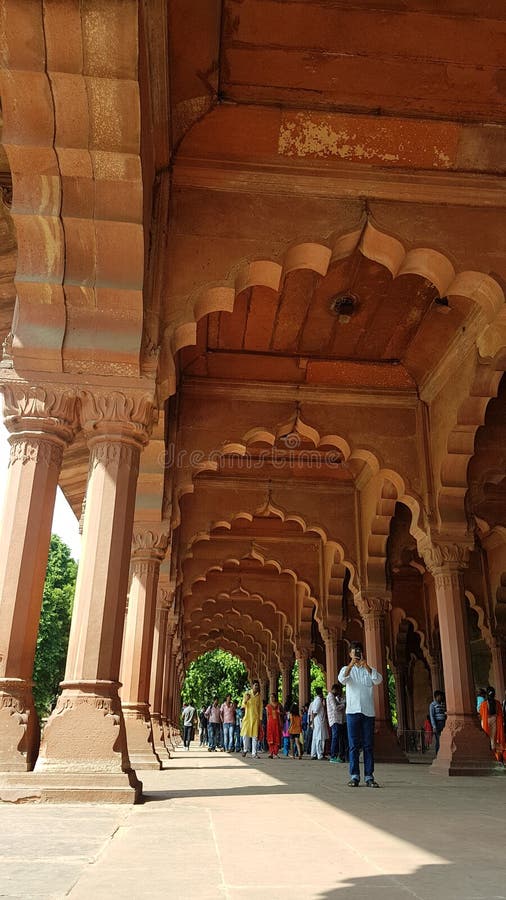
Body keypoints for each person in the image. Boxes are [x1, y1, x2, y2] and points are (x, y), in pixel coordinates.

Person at [339, 640, 383, 787]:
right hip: (352, 711)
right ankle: (355, 775)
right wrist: (351, 664)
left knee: (368, 745)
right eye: (354, 651)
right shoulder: (347, 669)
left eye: (358, 650)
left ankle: (369, 776)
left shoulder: (369, 669)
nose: (356, 653)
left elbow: (378, 680)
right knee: (353, 745)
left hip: (368, 712)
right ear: (350, 653)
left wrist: (366, 666)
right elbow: (342, 679)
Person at [479, 686, 506, 765]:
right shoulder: (496, 703)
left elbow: (480, 712)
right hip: (493, 720)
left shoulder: (484, 704)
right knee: (493, 739)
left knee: (491, 739)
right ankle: (496, 757)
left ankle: (494, 757)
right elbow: (499, 714)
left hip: (488, 720)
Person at [241, 680, 263, 758]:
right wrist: (246, 699)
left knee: (255, 736)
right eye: (255, 685)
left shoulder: (259, 696)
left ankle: (254, 753)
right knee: (245, 735)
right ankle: (245, 750)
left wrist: (260, 719)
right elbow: (242, 705)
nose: (256, 687)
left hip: (255, 719)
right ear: (252, 686)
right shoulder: (247, 694)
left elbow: (261, 708)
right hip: (247, 718)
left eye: (257, 685)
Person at [327, 683, 346, 763]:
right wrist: (344, 704)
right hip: (335, 720)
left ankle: (340, 755)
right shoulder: (330, 696)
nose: (339, 693)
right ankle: (333, 755)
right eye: (339, 691)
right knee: (335, 738)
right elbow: (335, 708)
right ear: (335, 689)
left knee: (340, 738)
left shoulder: (333, 697)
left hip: (338, 720)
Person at [309, 687, 328, 760]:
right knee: (320, 738)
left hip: (317, 721)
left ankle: (313, 754)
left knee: (315, 738)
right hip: (319, 721)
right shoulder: (318, 701)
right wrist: (313, 722)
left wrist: (312, 722)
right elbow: (314, 712)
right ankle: (320, 754)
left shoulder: (315, 700)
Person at [429, 690, 447, 756]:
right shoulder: (432, 705)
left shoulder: (442, 704)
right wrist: (434, 726)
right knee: (438, 740)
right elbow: (432, 716)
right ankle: (438, 754)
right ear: (436, 697)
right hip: (438, 723)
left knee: (444, 739)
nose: (441, 697)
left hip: (443, 722)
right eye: (440, 696)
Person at [266, 693, 283, 758]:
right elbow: (267, 715)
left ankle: (275, 753)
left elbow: (283, 713)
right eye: (271, 697)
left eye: (273, 697)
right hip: (270, 723)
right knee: (270, 737)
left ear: (275, 697)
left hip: (277, 723)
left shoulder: (279, 705)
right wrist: (268, 723)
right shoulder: (268, 706)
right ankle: (271, 753)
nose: (272, 698)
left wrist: (279, 712)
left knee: (277, 737)